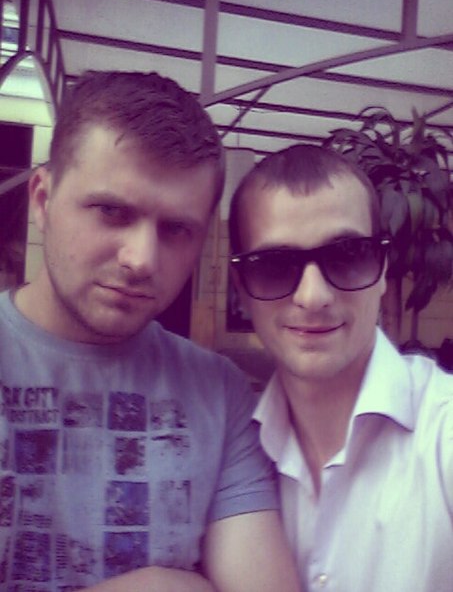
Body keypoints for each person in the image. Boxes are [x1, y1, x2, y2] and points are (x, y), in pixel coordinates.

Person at [0, 71, 301, 592]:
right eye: (111, 211)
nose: (141, 259)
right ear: (43, 200)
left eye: (176, 229)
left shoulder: (218, 391)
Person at [228, 144, 453, 592]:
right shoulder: (230, 448)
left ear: (383, 267)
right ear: (242, 287)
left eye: (348, 255)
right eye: (274, 266)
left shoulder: (442, 434)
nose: (313, 297)